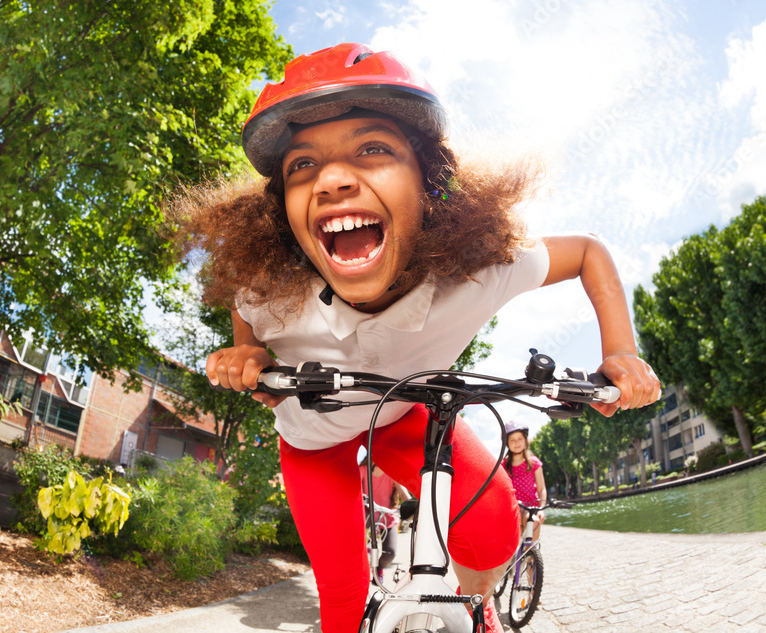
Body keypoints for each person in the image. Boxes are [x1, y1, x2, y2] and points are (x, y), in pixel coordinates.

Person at [173, 42, 661, 633]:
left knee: (495, 530)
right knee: (342, 604)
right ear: (284, 214)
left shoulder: (476, 274)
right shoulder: (274, 289)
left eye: (373, 149)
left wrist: (621, 352)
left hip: (408, 413)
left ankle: (474, 608)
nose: (332, 180)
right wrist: (249, 351)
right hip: (312, 440)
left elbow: (586, 252)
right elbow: (243, 299)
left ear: (430, 182)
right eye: (302, 165)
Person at [359, 458, 411, 584]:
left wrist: (414, 507)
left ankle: (379, 568)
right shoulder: (363, 470)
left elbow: (404, 494)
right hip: (367, 513)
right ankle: (361, 566)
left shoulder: (391, 472)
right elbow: (354, 490)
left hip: (387, 515)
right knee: (357, 547)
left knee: (390, 553)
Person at [503, 422, 546, 544]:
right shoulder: (503, 466)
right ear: (507, 443)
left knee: (534, 525)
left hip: (532, 507)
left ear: (525, 440)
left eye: (520, 439)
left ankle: (530, 554)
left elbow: (541, 489)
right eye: (512, 440)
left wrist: (542, 509)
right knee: (514, 544)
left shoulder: (534, 463)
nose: (516, 443)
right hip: (514, 509)